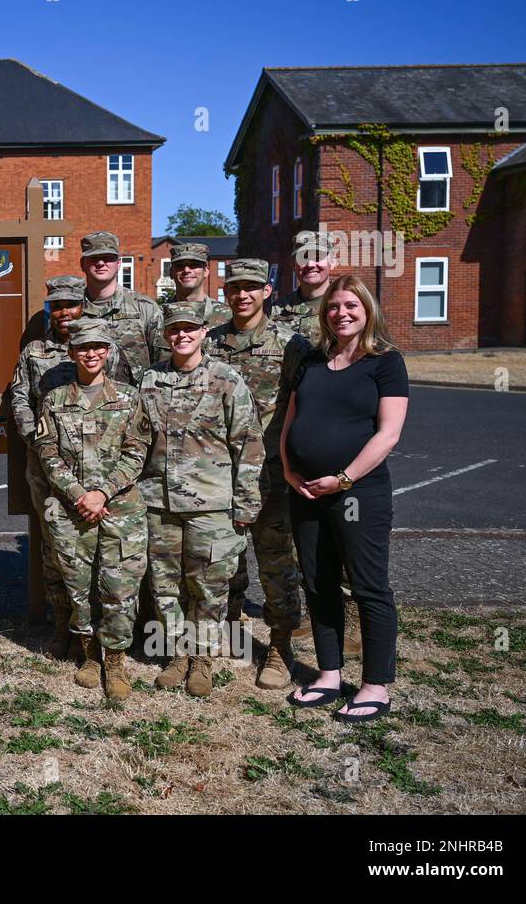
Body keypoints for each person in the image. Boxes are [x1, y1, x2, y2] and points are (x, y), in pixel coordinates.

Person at [281, 275, 408, 722]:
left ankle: (376, 685)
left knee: (368, 586)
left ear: (367, 309)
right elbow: (291, 419)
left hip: (357, 492)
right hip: (306, 491)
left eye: (351, 305)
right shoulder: (312, 359)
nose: (342, 313)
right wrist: (288, 468)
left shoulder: (386, 362)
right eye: (334, 307)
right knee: (317, 583)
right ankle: (330, 674)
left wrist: (343, 478)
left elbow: (388, 434)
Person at [141, 302, 265, 698]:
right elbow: (137, 440)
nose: (182, 336)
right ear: (166, 335)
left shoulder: (226, 380)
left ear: (203, 332)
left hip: (212, 503)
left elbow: (247, 443)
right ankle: (177, 655)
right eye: (174, 330)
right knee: (165, 585)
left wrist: (246, 503)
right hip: (158, 502)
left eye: (189, 329)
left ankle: (203, 659)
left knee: (209, 585)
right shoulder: (149, 381)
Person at [34, 318, 151, 700]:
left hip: (119, 508)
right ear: (72, 353)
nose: (92, 353)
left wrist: (102, 491)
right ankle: (89, 656)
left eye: (99, 346)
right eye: (84, 347)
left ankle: (115, 660)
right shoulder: (54, 400)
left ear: (108, 351)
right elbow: (47, 453)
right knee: (78, 586)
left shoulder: (129, 397)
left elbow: (138, 451)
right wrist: (78, 493)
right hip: (72, 509)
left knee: (119, 587)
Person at [207, 259, 308, 689]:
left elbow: (308, 407)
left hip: (270, 475)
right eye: (234, 288)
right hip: (217, 474)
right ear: (225, 293)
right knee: (224, 560)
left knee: (276, 563)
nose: (242, 295)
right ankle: (230, 627)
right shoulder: (209, 343)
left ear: (268, 291)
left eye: (252, 287)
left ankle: (281, 647)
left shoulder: (291, 346)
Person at [272, 230, 362, 653]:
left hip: (341, 436)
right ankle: (315, 614)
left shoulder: (345, 304)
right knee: (303, 535)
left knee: (347, 534)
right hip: (294, 430)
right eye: (304, 257)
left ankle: (356, 621)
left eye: (319, 257)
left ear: (332, 259)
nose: (311, 264)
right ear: (295, 262)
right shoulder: (278, 310)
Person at [9, 275, 86, 658]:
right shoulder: (35, 352)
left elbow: (122, 398)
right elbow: (19, 397)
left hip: (92, 466)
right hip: (45, 464)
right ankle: (62, 626)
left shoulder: (101, 348)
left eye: (71, 304)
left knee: (93, 546)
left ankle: (92, 629)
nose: (64, 312)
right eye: (57, 306)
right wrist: (35, 437)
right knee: (53, 546)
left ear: (82, 306)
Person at [71, 231, 161, 387]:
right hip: (81, 403)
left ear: (118, 264)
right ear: (82, 264)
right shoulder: (70, 310)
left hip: (134, 404)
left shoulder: (144, 308)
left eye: (107, 258)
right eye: (93, 258)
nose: (100, 263)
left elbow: (163, 363)